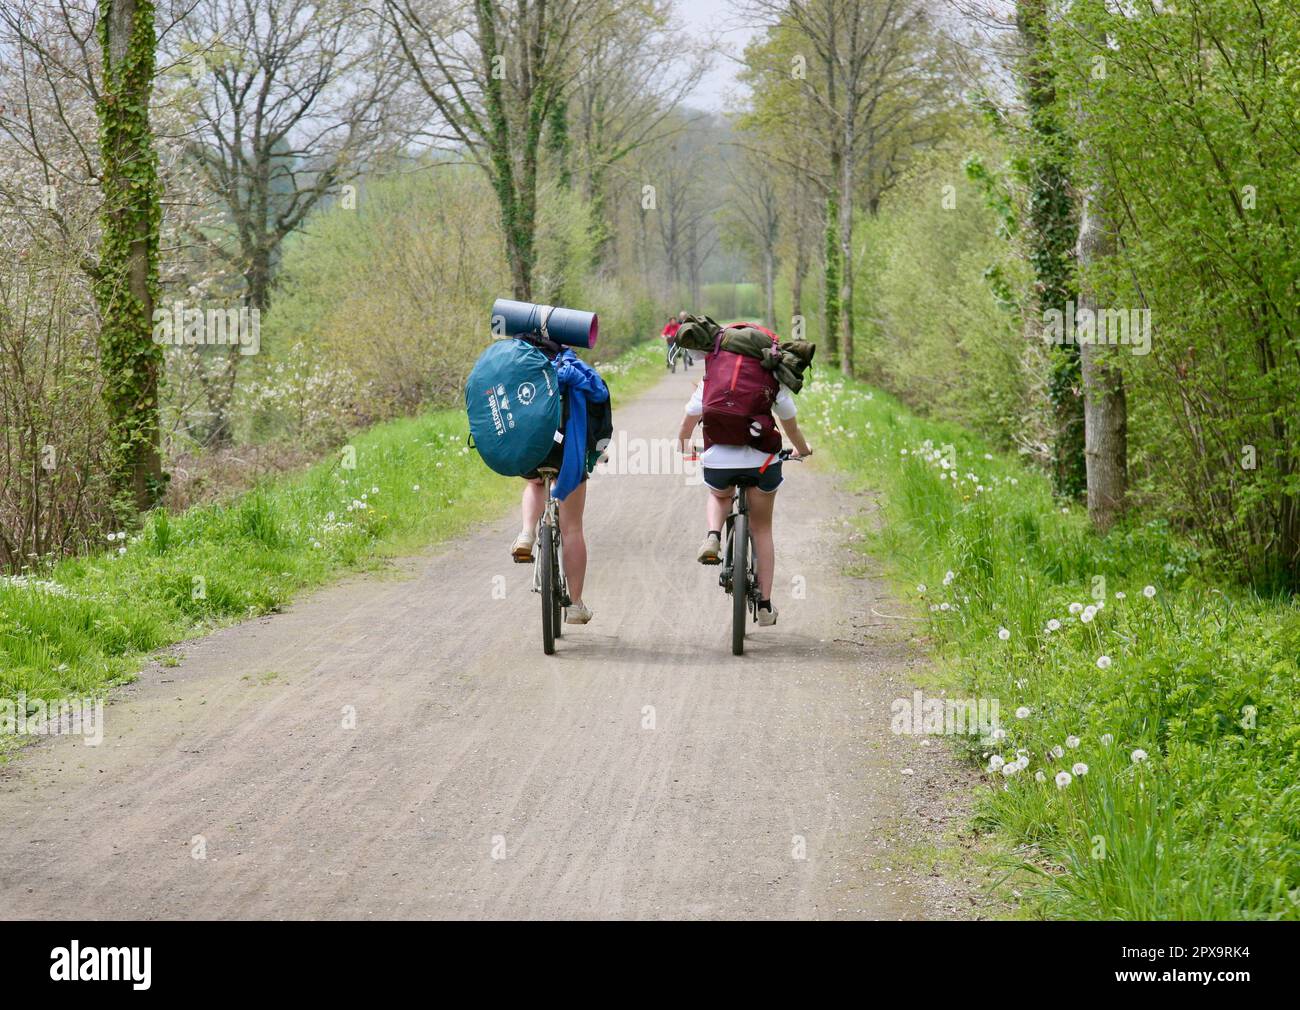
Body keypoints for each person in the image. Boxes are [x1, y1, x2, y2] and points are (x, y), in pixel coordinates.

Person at [676, 379, 812, 627]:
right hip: (763, 463)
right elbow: (791, 428)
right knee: (761, 529)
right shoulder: (772, 381)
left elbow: (686, 425)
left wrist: (685, 447)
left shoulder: (710, 381)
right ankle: (764, 606)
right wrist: (802, 450)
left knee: (720, 495)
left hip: (719, 463)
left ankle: (713, 535)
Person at [510, 350, 610, 626]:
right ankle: (575, 605)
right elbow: (599, 402)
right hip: (570, 454)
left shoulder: (521, 368)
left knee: (534, 482)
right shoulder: (576, 368)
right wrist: (597, 449)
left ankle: (527, 534)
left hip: (534, 452)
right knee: (573, 529)